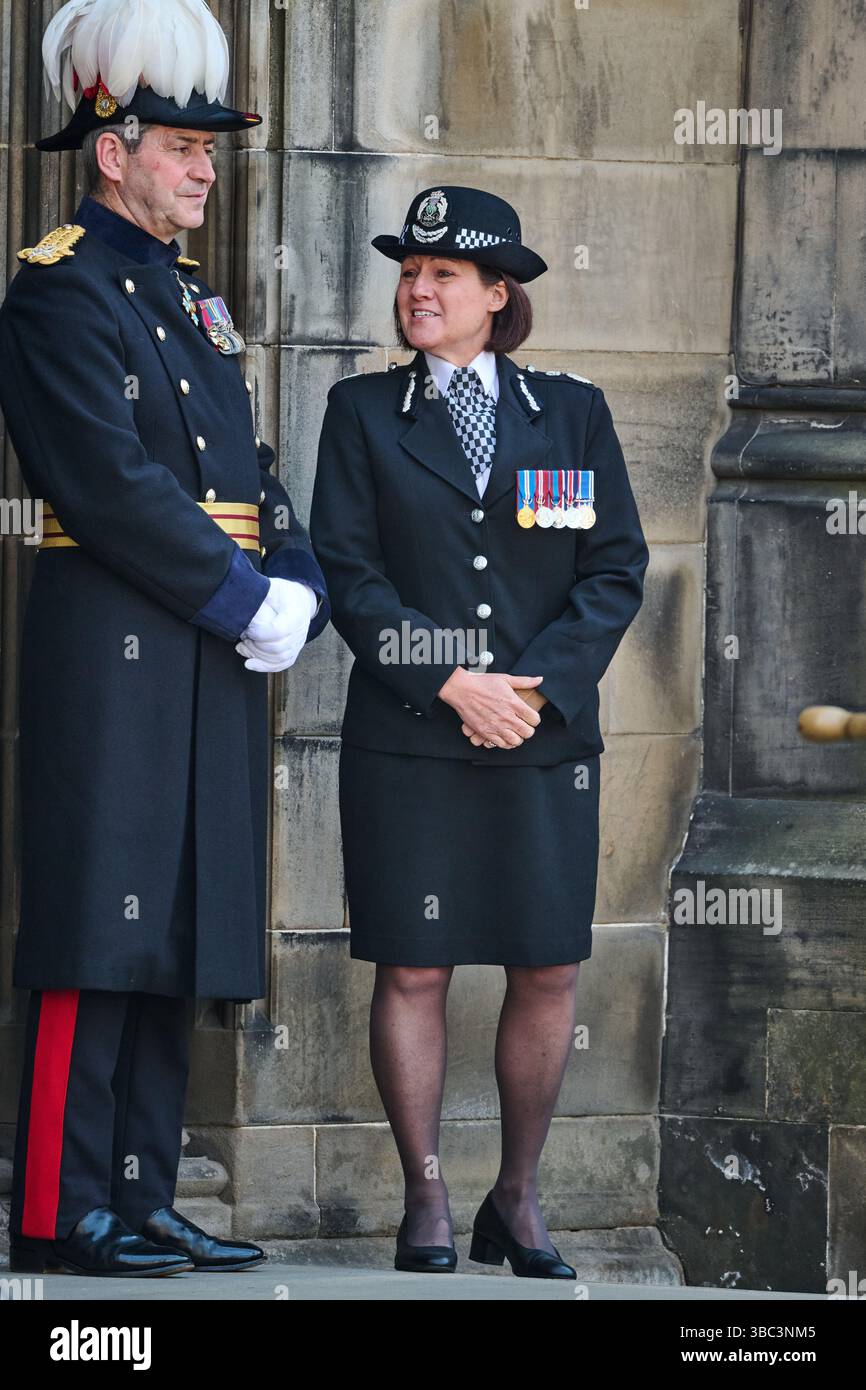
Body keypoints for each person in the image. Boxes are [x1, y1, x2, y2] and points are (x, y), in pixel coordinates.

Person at [0, 0, 329, 1277]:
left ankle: (140, 1190)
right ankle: (59, 1204)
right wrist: (243, 595)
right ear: (110, 150)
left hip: (210, 647)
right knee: (96, 924)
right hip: (115, 646)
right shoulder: (56, 290)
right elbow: (106, 485)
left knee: (181, 919)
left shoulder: (191, 300)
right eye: (181, 144)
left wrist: (292, 570)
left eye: (209, 147)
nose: (204, 166)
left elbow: (249, 465)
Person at [310, 185, 649, 1278]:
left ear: (495, 296)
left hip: (540, 741)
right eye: (408, 270)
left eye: (442, 273)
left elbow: (612, 570)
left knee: (545, 966)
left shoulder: (572, 411)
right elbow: (349, 578)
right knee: (413, 968)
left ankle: (518, 1196)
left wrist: (531, 689)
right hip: (411, 734)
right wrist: (452, 680)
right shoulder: (360, 413)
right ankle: (425, 1201)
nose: (417, 288)